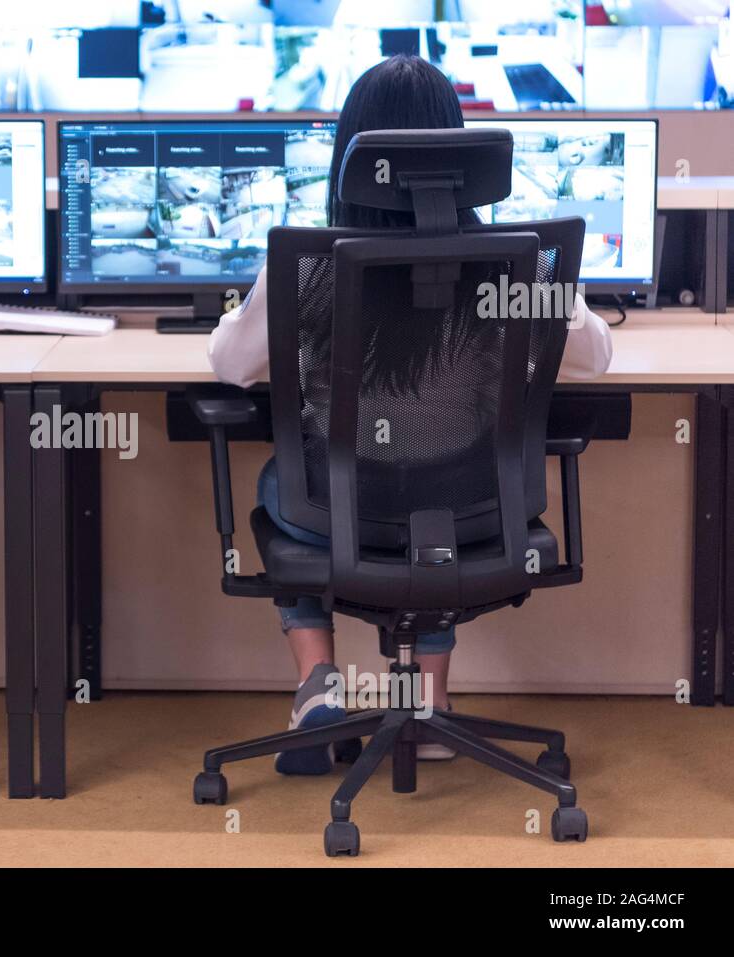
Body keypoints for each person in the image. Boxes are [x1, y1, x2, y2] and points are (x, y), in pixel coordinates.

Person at [208, 55, 613, 775]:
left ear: (351, 154)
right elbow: (595, 356)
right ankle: (429, 706)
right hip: (478, 513)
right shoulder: (514, 262)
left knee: (289, 477)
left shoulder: (307, 263)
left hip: (340, 515)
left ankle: (318, 685)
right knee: (439, 486)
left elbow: (232, 366)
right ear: (460, 151)